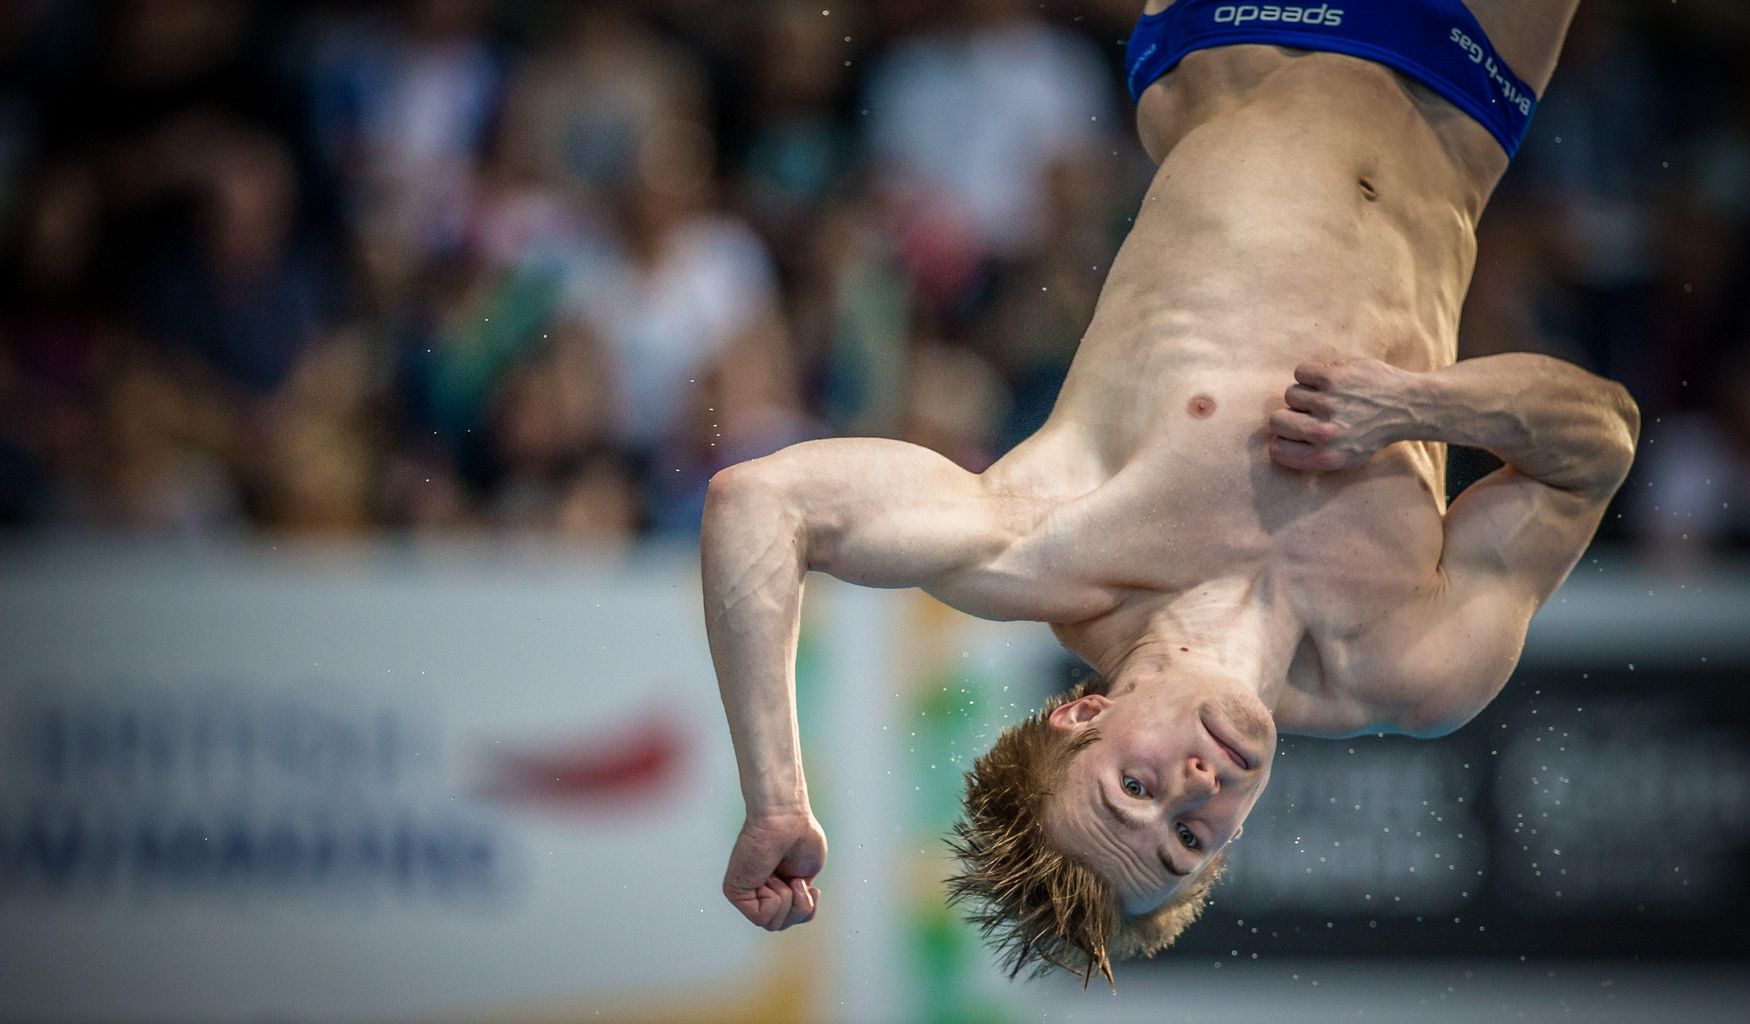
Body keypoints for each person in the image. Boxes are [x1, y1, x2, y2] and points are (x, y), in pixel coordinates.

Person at [700, 0, 1638, 987]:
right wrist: (1416, 406)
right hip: (1460, 77)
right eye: (1191, 837)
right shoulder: (1414, 664)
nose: (1198, 787)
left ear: (1078, 718)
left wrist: (774, 798)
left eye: (1133, 786)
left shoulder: (1052, 541)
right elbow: (1603, 435)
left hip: (1236, 37)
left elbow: (763, 505)